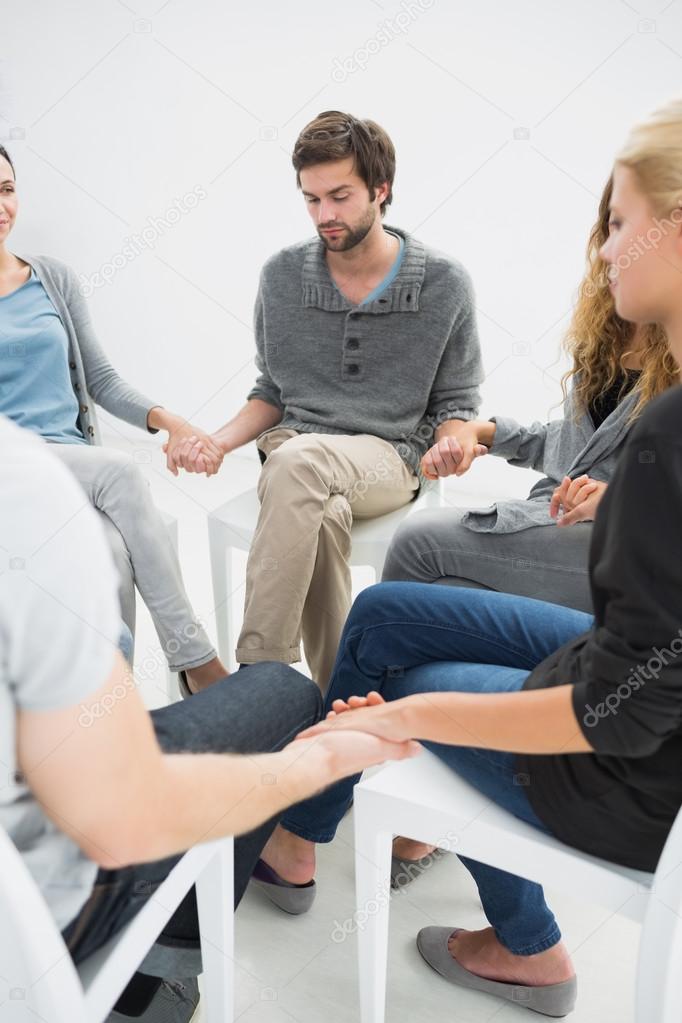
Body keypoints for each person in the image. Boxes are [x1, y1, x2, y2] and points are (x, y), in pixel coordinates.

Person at [258, 98, 682, 1018]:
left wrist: (403, 716)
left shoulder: (666, 445)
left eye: (618, 225)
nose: (603, 251)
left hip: (628, 779)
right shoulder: (655, 417)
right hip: (619, 697)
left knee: (403, 655)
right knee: (381, 618)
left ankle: (518, 936)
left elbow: (621, 716)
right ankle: (307, 824)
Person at [1, 414, 419, 1020]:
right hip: (52, 914)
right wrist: (313, 764)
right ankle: (158, 974)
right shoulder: (25, 488)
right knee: (283, 690)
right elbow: (122, 807)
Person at [169, 110, 485, 689]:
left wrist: (450, 448)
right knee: (319, 510)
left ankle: (256, 679)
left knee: (298, 460)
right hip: (299, 456)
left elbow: (457, 403)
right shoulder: (282, 276)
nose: (325, 216)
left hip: (388, 458)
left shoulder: (444, 283)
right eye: (311, 200)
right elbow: (272, 390)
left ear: (380, 189)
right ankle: (342, 695)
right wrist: (216, 442)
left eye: (339, 196)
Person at [382, 173, 677, 615]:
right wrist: (481, 433)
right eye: (612, 225)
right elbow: (578, 448)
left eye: (633, 227)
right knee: (442, 589)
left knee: (418, 542)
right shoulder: (609, 326)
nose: (610, 248)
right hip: (565, 527)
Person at [0, 145, 226, 695]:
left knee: (110, 553)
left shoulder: (51, 278)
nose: (0, 206)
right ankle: (197, 662)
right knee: (122, 473)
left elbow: (100, 380)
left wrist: (170, 422)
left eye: (6, 190)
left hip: (73, 464)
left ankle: (108, 706)